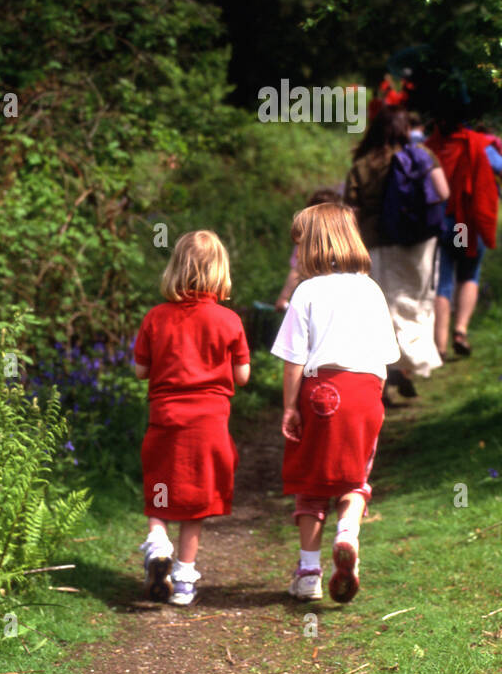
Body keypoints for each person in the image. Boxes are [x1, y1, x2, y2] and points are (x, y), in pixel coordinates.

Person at [270, 203, 399, 603]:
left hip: (318, 391)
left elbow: (294, 358)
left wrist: (291, 406)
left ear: (311, 245)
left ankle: (309, 573)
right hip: (365, 391)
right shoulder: (371, 289)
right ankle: (347, 533)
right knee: (354, 478)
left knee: (311, 482)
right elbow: (386, 359)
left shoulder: (306, 291)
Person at [134, 230, 250, 607]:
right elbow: (243, 375)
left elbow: (140, 370)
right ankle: (183, 583)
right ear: (220, 271)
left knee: (160, 486)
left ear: (175, 269)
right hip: (209, 424)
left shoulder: (156, 318)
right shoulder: (229, 320)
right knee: (196, 502)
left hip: (166, 418)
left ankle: (157, 541)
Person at [344, 107, 447, 399]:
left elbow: (351, 210)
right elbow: (443, 192)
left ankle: (383, 376)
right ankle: (408, 367)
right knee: (415, 303)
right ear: (404, 130)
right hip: (419, 244)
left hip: (376, 241)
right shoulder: (422, 155)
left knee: (381, 310)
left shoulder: (363, 164)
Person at [426, 117, 502, 358]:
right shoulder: (478, 144)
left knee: (443, 283)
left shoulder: (429, 147)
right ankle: (460, 330)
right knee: (468, 275)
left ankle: (440, 346)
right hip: (465, 224)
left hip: (440, 222)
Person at [274, 187, 345, 310]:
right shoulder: (345, 239)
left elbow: (297, 269)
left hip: (315, 300)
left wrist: (283, 298)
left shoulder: (308, 239)